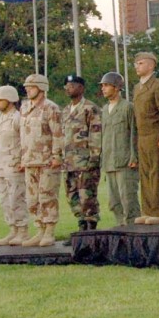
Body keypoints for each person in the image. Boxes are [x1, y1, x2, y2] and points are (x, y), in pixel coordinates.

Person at [18, 73, 63, 247]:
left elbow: (58, 134)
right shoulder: (25, 108)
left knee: (47, 196)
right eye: (27, 87)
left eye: (32, 87)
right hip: (30, 161)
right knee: (32, 199)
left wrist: (57, 155)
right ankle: (39, 230)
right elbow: (24, 136)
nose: (28, 90)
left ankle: (50, 231)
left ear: (41, 88)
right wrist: (23, 158)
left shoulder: (51, 108)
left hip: (46, 161)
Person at [60, 74, 103, 233]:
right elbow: (62, 136)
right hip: (69, 162)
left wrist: (94, 158)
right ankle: (81, 227)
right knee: (72, 197)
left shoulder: (90, 108)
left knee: (87, 197)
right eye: (67, 86)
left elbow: (96, 134)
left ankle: (91, 229)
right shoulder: (65, 111)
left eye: (72, 85)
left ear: (81, 88)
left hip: (85, 162)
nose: (68, 88)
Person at [131, 51, 159, 225]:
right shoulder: (137, 88)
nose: (137, 67)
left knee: (156, 174)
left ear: (151, 65)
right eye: (136, 64)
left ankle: (157, 211)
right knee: (144, 174)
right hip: (142, 136)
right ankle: (147, 210)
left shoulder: (158, 87)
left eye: (140, 63)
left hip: (155, 135)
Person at [100, 72, 140, 226]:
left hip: (125, 162)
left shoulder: (127, 107)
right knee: (114, 201)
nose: (103, 89)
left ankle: (133, 230)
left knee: (128, 199)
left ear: (116, 88)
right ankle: (120, 228)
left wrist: (133, 156)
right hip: (109, 162)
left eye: (106, 85)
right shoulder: (104, 110)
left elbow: (134, 134)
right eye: (102, 86)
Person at [0, 85, 29, 246]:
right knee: (4, 199)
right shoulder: (0, 118)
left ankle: (23, 230)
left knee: (16, 198)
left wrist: (23, 160)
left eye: (0, 100)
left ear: (10, 100)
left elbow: (25, 141)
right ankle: (12, 229)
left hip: (14, 164)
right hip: (1, 165)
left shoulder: (17, 118)